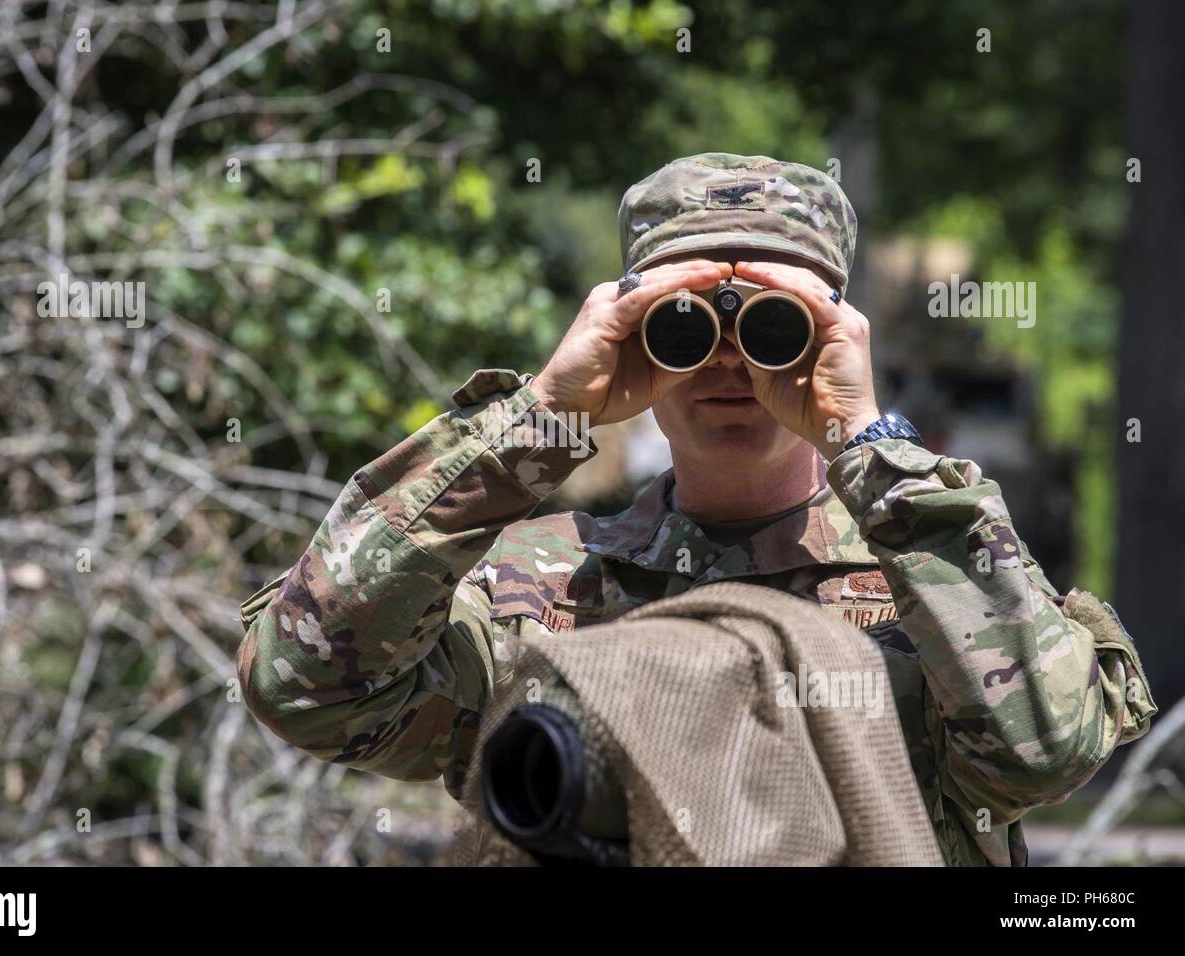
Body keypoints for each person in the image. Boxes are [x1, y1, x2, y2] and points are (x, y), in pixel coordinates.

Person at [235, 153, 1156, 865]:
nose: (726, 360)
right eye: (683, 326)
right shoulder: (539, 589)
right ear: (629, 336)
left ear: (834, 335)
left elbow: (1044, 750)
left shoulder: (932, 580)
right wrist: (539, 423)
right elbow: (307, 686)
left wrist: (870, 445)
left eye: (771, 323)